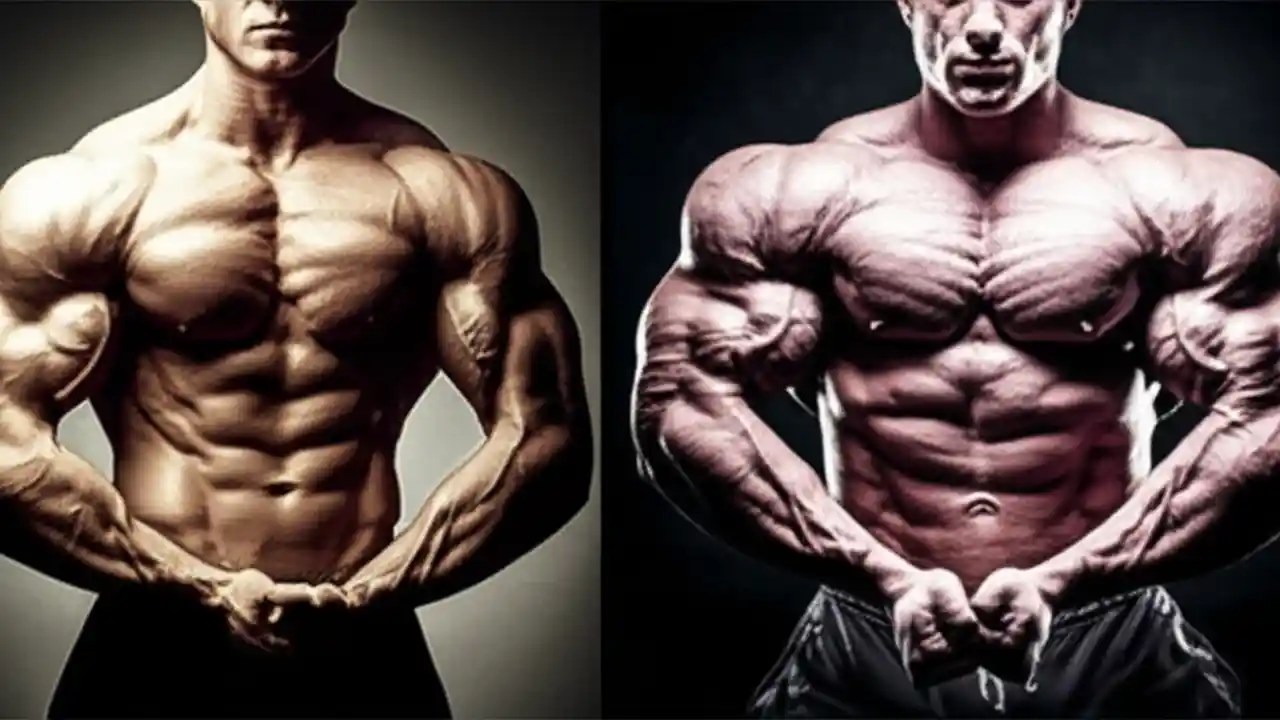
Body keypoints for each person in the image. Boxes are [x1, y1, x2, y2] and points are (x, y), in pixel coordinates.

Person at [632, 0, 1278, 716]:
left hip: (1111, 626)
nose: (983, 25)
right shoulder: (789, 193)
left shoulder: (1182, 193)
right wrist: (883, 578)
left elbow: (1270, 420)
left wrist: (1069, 581)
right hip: (869, 624)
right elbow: (678, 409)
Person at [0, 1, 591, 718]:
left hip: (364, 633)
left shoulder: (445, 195)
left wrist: (369, 594)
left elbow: (547, 437)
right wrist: (199, 587)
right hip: (155, 631)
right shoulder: (89, 192)